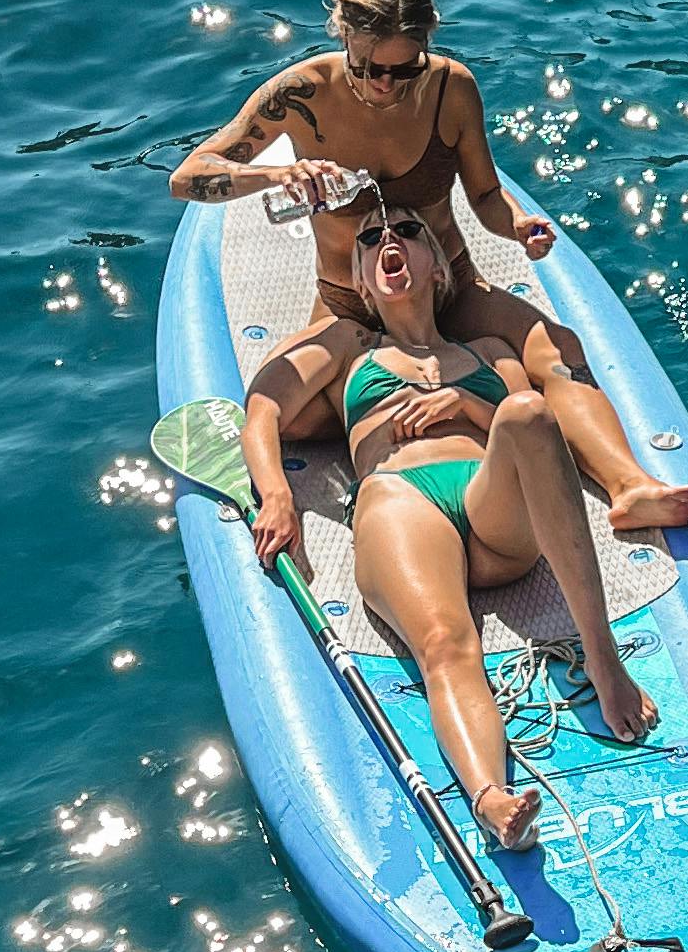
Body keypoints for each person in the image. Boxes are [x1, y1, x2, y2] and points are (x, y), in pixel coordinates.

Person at [170, 0, 688, 538]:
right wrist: (274, 178)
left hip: (448, 284)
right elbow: (188, 177)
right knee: (289, 411)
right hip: (350, 303)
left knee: (558, 349)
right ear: (344, 34)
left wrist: (519, 225)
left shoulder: (452, 88)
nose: (386, 85)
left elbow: (486, 194)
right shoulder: (301, 94)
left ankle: (629, 487)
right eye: (371, 68)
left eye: (405, 69)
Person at [242, 200, 657, 850]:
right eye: (372, 239)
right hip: (401, 497)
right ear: (359, 281)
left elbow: (539, 441)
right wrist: (276, 496)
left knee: (522, 411)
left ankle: (600, 657)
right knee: (442, 643)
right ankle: (493, 802)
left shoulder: (489, 350)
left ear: (437, 267)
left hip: (496, 506)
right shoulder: (351, 344)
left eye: (407, 231)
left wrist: (465, 400)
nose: (390, 241)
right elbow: (264, 405)